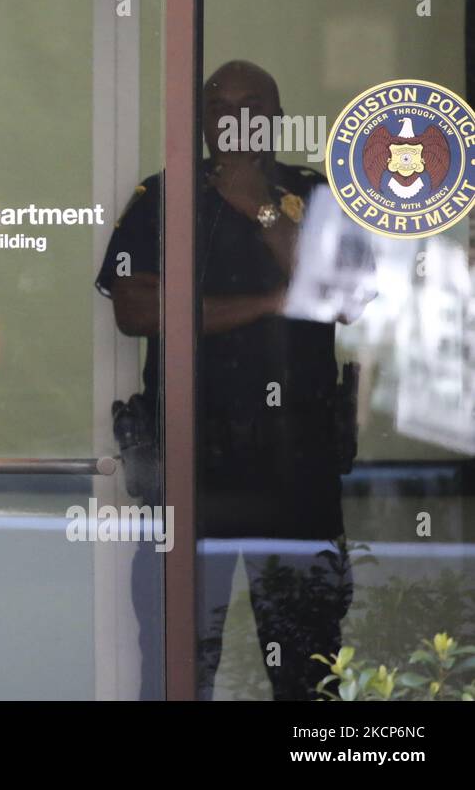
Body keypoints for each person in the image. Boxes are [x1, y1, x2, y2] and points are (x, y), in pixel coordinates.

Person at [96, 60, 356, 700]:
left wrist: (261, 210)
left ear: (275, 118)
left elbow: (340, 297)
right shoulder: (164, 196)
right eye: (219, 106)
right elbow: (133, 308)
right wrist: (273, 302)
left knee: (308, 671)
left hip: (295, 472)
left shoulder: (316, 193)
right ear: (203, 122)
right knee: (178, 666)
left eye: (252, 105)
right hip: (191, 469)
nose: (235, 119)